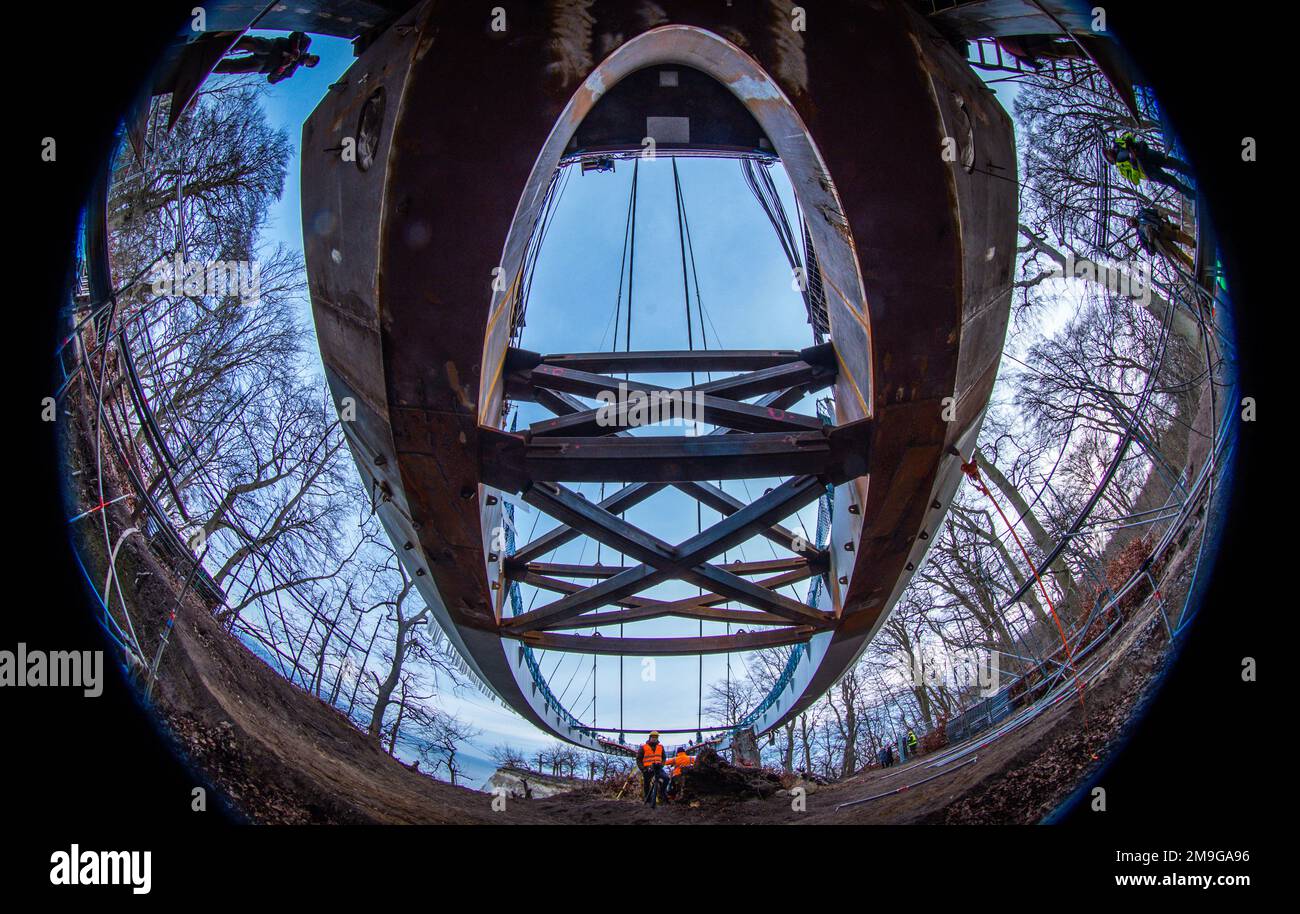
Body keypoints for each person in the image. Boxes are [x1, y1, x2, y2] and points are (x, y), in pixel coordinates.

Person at [1103, 133, 1195, 199]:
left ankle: (1194, 173)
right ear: (1110, 160)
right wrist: (1133, 163)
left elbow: (1129, 135)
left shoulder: (1117, 144)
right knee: (1171, 180)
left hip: (1146, 154)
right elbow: (1135, 180)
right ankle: (1192, 194)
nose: (1108, 151)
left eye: (1106, 150)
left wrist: (1129, 141)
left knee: (1173, 163)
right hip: (1147, 171)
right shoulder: (1121, 169)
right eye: (1107, 154)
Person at [214, 31, 320, 84]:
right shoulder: (305, 43)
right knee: (253, 44)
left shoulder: (290, 71)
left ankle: (212, 66)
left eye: (313, 62)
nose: (312, 60)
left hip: (264, 64)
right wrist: (296, 48)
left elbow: (272, 79)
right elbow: (298, 33)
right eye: (315, 58)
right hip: (273, 47)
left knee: (237, 67)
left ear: (308, 65)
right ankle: (222, 41)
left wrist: (282, 67)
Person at [1131, 207, 1196, 273]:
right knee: (1177, 254)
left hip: (1162, 228)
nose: (1130, 222)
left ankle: (1194, 243)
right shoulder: (1141, 236)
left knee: (1179, 235)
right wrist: (1150, 241)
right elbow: (1150, 252)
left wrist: (1163, 215)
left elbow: (1156, 212)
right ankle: (1192, 266)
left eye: (1129, 220)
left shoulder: (1142, 213)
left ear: (1132, 217)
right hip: (1161, 242)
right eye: (1129, 223)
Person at [636, 731, 670, 806]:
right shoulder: (643, 747)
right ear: (650, 737)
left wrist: (662, 764)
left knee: (666, 778)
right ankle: (648, 799)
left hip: (658, 768)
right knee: (647, 784)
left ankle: (662, 791)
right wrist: (643, 769)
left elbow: (663, 757)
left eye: (656, 737)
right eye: (653, 737)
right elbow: (638, 759)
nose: (654, 739)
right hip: (648, 768)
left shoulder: (660, 747)